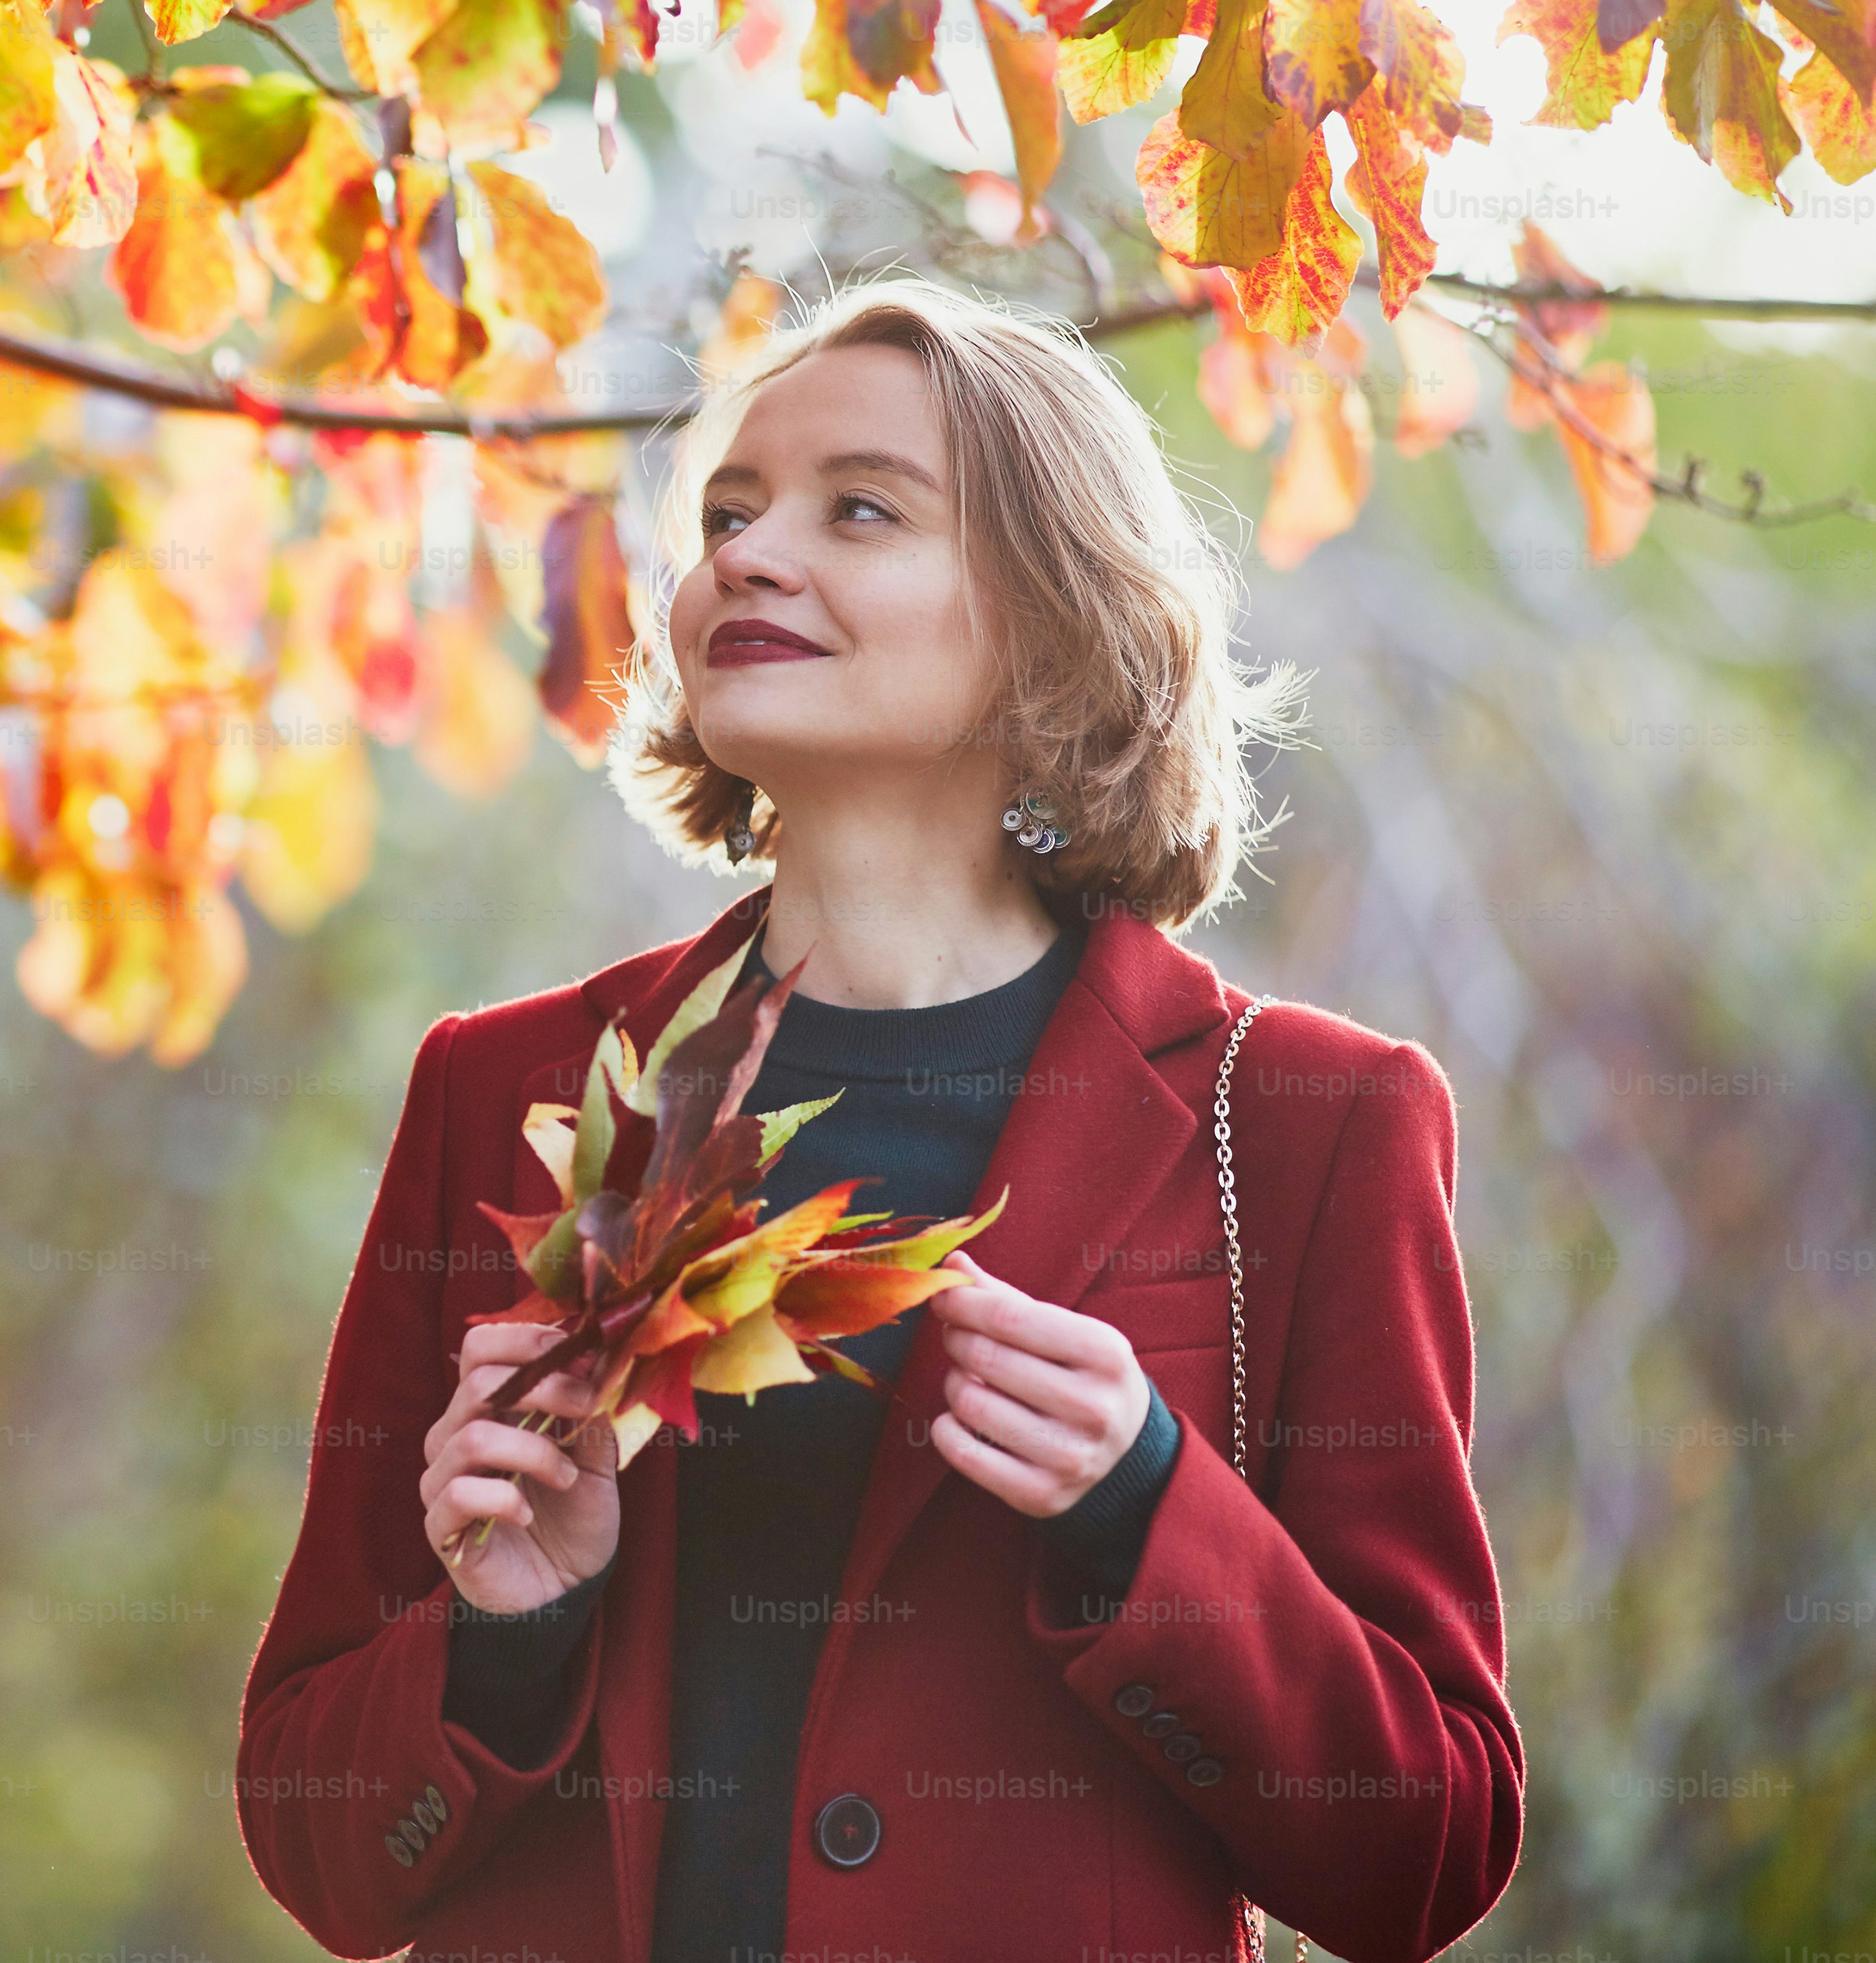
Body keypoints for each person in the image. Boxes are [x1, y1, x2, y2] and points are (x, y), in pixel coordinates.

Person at [232, 279, 1522, 1962]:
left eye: (861, 508)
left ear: (1054, 617)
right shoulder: (507, 1090)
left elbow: (1420, 1854)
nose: (749, 557)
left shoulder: (1304, 1123)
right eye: (728, 513)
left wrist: (1146, 1502)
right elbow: (323, 1853)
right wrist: (503, 1629)